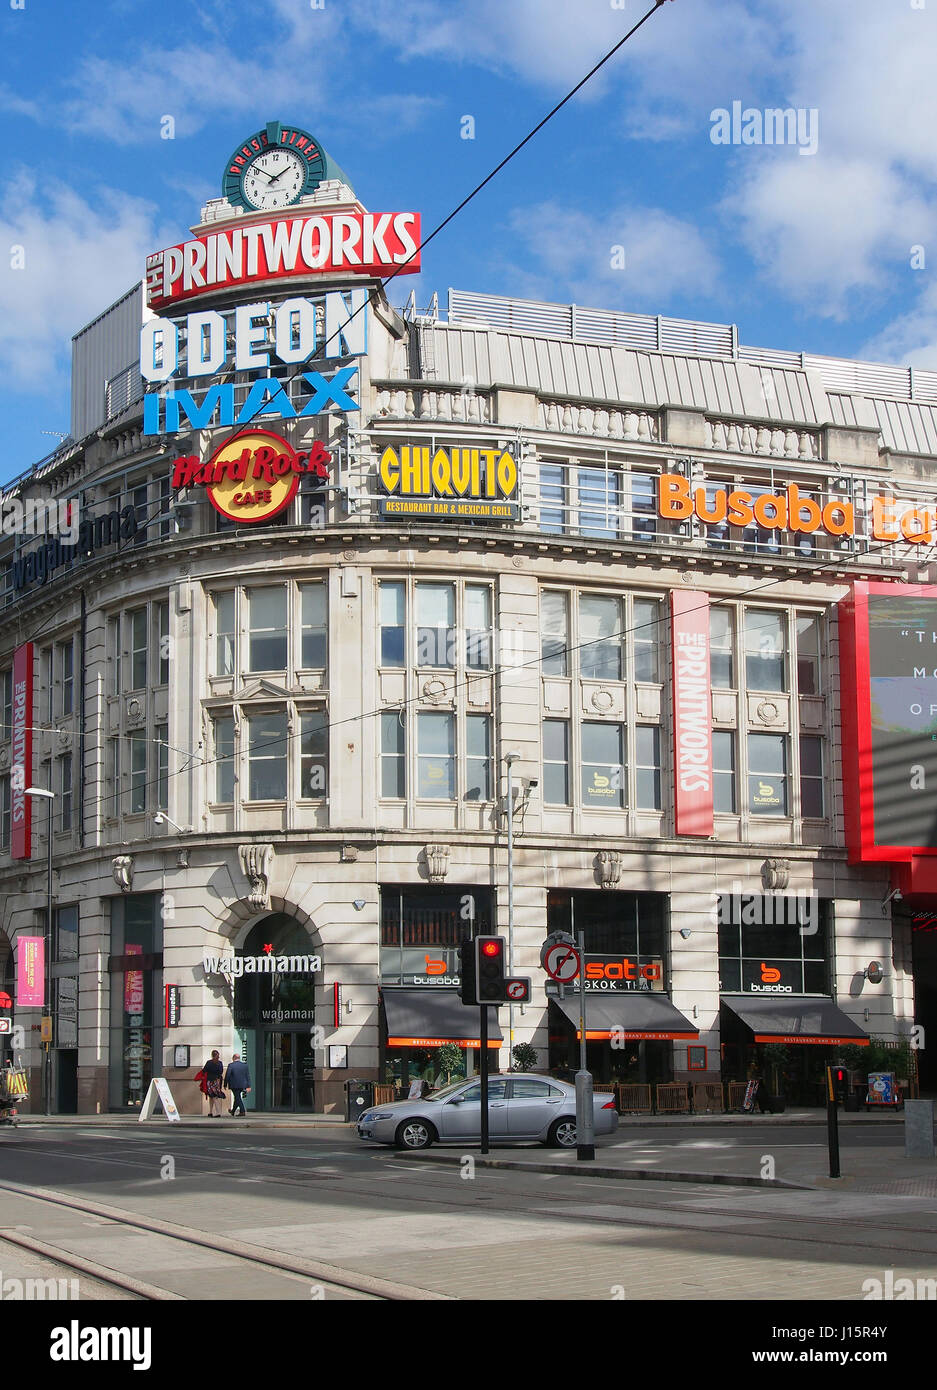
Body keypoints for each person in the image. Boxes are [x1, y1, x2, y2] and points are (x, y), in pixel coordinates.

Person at [201, 1049, 225, 1117]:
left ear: (212, 1055)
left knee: (213, 1096)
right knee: (213, 1096)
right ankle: (210, 1112)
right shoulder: (220, 1063)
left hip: (210, 1081)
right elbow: (221, 1072)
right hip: (217, 1081)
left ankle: (218, 1112)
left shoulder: (209, 1062)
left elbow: (204, 1070)